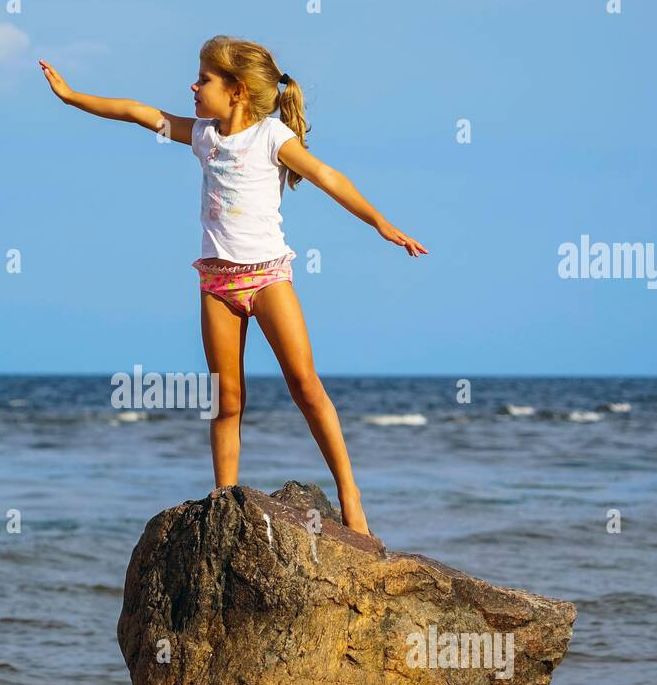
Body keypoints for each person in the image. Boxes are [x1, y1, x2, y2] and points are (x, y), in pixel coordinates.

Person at [39, 36, 427, 538]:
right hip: (217, 282)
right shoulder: (203, 135)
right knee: (225, 399)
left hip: (267, 277)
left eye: (204, 79)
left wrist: (381, 223)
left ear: (237, 90)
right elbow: (138, 112)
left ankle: (350, 495)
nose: (193, 86)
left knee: (306, 387)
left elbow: (328, 177)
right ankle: (225, 498)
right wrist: (72, 97)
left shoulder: (272, 136)